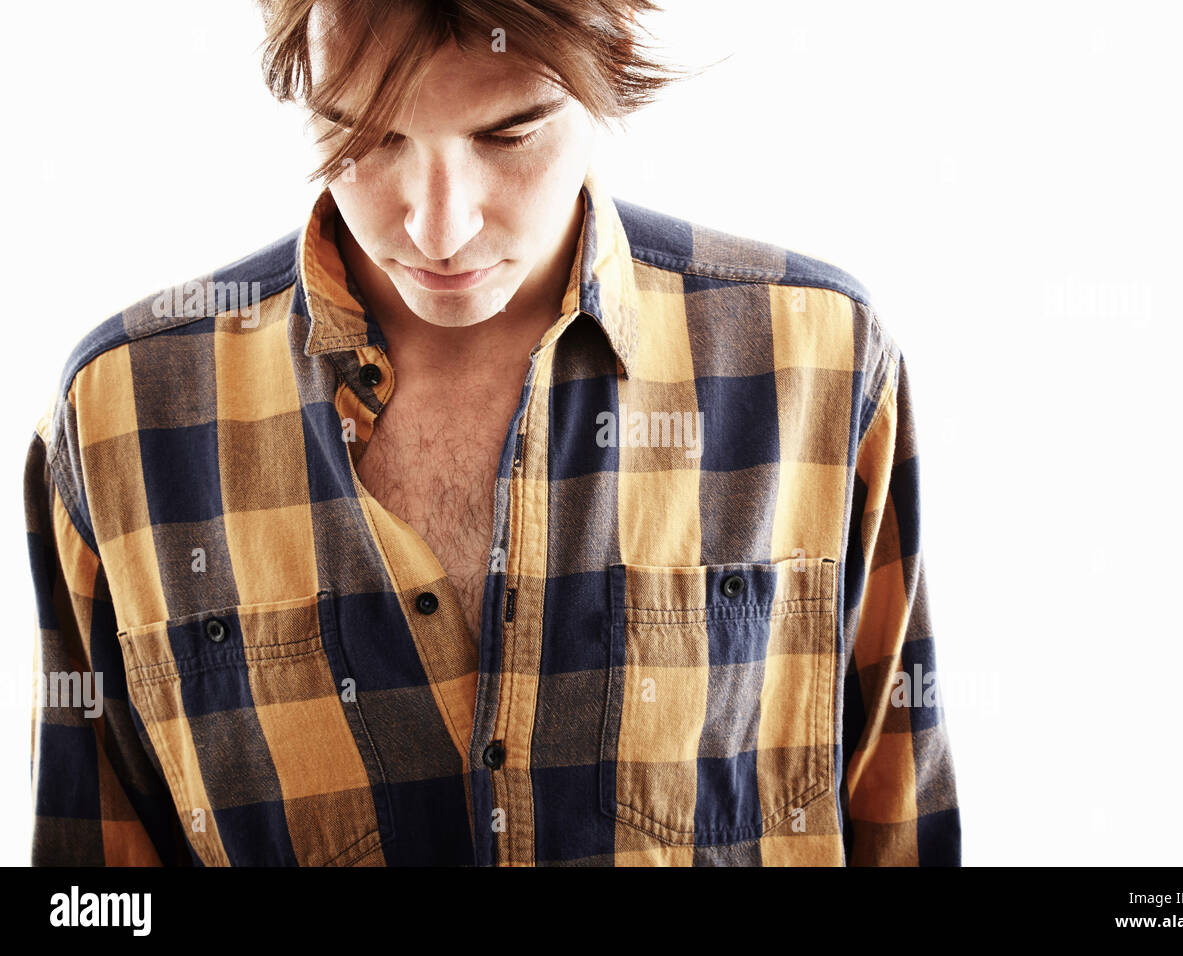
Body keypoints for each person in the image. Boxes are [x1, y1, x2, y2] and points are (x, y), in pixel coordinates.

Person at [25, 0, 960, 866]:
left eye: (509, 132)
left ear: (614, 60)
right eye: (365, 136)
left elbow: (902, 830)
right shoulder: (123, 415)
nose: (440, 228)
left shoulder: (817, 363)